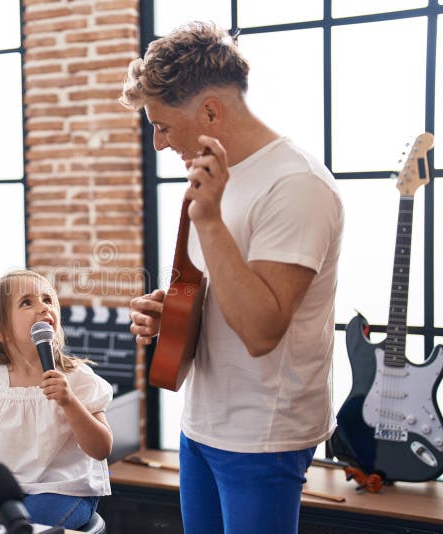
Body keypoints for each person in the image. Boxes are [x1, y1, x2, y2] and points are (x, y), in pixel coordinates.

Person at [121, 21, 344, 534]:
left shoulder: (297, 186)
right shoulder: (218, 176)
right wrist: (173, 312)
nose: (157, 143)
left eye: (162, 124)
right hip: (202, 421)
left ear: (211, 111)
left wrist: (210, 221)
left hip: (261, 434)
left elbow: (262, 330)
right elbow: (224, 288)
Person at [0, 269, 113, 529]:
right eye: (27, 302)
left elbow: (101, 448)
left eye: (48, 300)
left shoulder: (78, 378)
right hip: (4, 491)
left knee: (22, 527)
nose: (42, 308)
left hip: (63, 489)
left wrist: (69, 401)